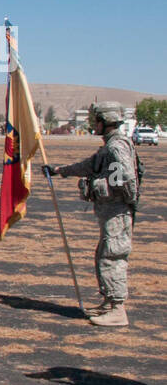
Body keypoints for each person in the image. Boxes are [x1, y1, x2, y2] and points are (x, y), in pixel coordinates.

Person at [44, 102, 139, 326]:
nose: (93, 125)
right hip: (110, 213)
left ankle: (117, 309)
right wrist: (60, 171)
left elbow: (126, 182)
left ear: (104, 122)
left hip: (117, 213)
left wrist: (96, 186)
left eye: (96, 121)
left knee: (112, 256)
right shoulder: (109, 146)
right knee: (104, 254)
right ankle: (109, 302)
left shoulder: (116, 147)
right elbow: (90, 165)